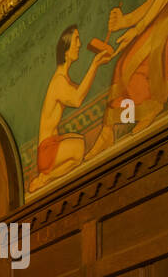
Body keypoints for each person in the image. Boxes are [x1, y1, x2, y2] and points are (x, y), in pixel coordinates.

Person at [87, 0, 168, 160]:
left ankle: (151, 107)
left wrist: (137, 28)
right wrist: (124, 22)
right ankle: (109, 131)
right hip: (165, 9)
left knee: (135, 60)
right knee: (121, 64)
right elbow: (153, 1)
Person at [28, 27, 116, 193]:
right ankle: (45, 176)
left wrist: (97, 65)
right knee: (80, 146)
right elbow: (76, 99)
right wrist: (94, 64)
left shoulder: (63, 79)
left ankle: (47, 177)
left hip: (51, 146)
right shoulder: (59, 82)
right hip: (47, 151)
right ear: (66, 49)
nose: (80, 44)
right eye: (76, 39)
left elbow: (80, 90)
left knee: (78, 149)